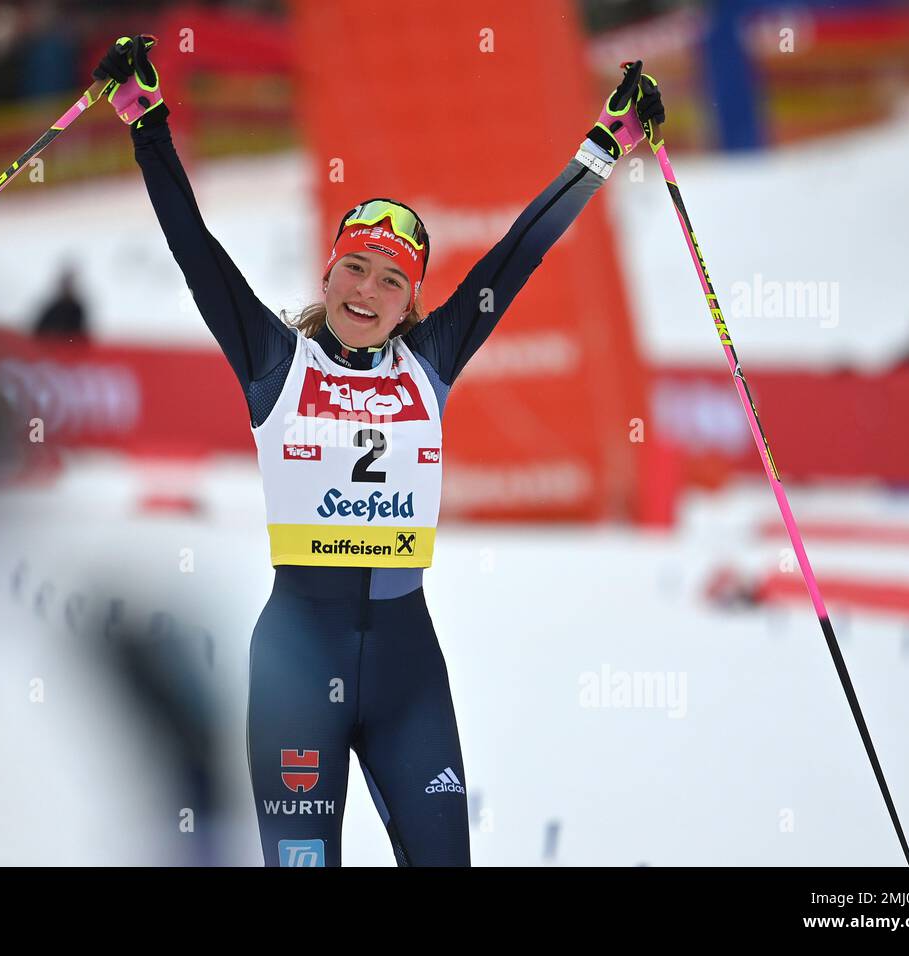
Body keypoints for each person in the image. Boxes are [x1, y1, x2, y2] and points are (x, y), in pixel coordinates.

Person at [92, 36, 665, 866]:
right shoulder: (274, 362)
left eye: (389, 280)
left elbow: (520, 254)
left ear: (411, 304)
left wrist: (605, 147)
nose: (366, 290)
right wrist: (147, 123)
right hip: (297, 660)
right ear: (328, 274)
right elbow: (195, 250)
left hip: (408, 669)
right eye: (354, 268)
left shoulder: (429, 366)